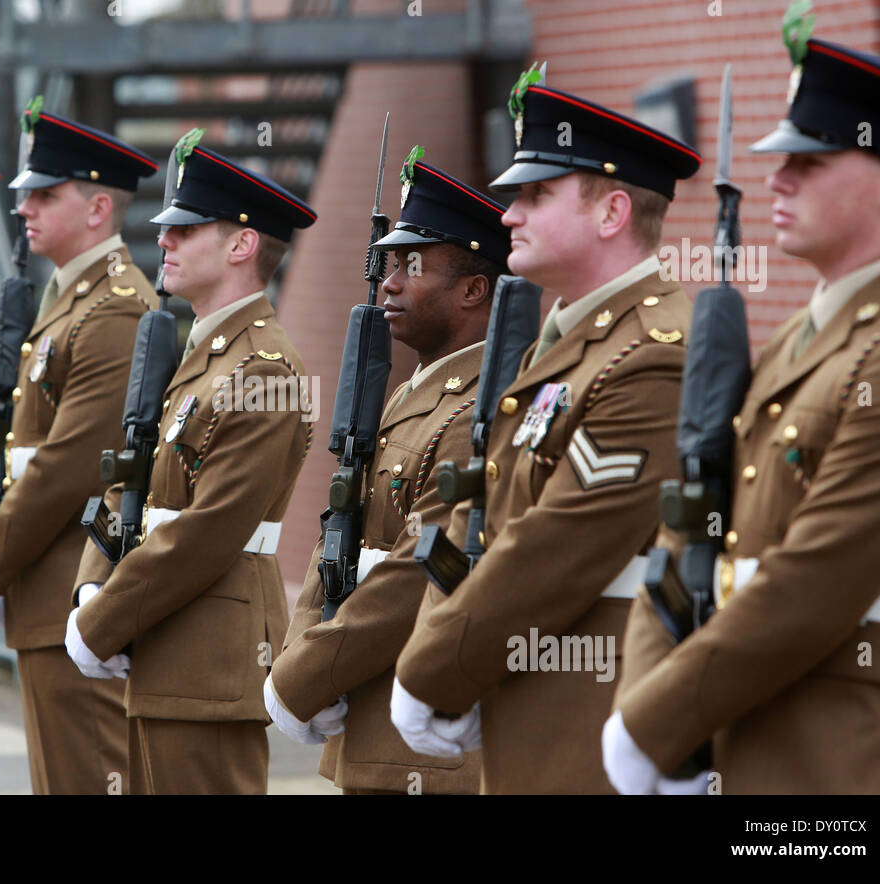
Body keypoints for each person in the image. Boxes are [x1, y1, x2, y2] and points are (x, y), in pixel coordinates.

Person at [606, 15, 880, 795]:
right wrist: (655, 708)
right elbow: (689, 527)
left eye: (808, 162)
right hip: (756, 749)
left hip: (853, 765)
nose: (775, 179)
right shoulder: (802, 341)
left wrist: (652, 726)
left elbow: (816, 578)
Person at [391, 71, 700, 793]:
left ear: (612, 211)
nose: (507, 216)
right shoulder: (559, 345)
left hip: (588, 717)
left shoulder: (654, 350)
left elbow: (554, 545)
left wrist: (433, 669)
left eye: (535, 196)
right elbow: (477, 515)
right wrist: (444, 651)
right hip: (529, 704)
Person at [67, 129, 316, 794]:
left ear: (242, 244)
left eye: (187, 230)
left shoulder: (264, 370)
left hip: (210, 657)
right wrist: (96, 579)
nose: (165, 239)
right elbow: (138, 484)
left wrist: (102, 621)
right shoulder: (207, 356)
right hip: (168, 646)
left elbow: (208, 528)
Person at [265, 150, 509, 794]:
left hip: (422, 745)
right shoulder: (411, 393)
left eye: (412, 266)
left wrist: (304, 676)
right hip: (369, 721)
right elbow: (338, 532)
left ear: (474, 288)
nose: (391, 283)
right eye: (391, 264)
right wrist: (303, 645)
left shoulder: (481, 404)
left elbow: (415, 568)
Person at [0, 108, 158, 794]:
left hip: (75, 591)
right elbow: (11, 442)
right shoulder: (71, 299)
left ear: (99, 207)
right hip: (41, 595)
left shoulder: (117, 310)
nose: (23, 205)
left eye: (44, 194)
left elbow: (67, 469)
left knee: (90, 776)